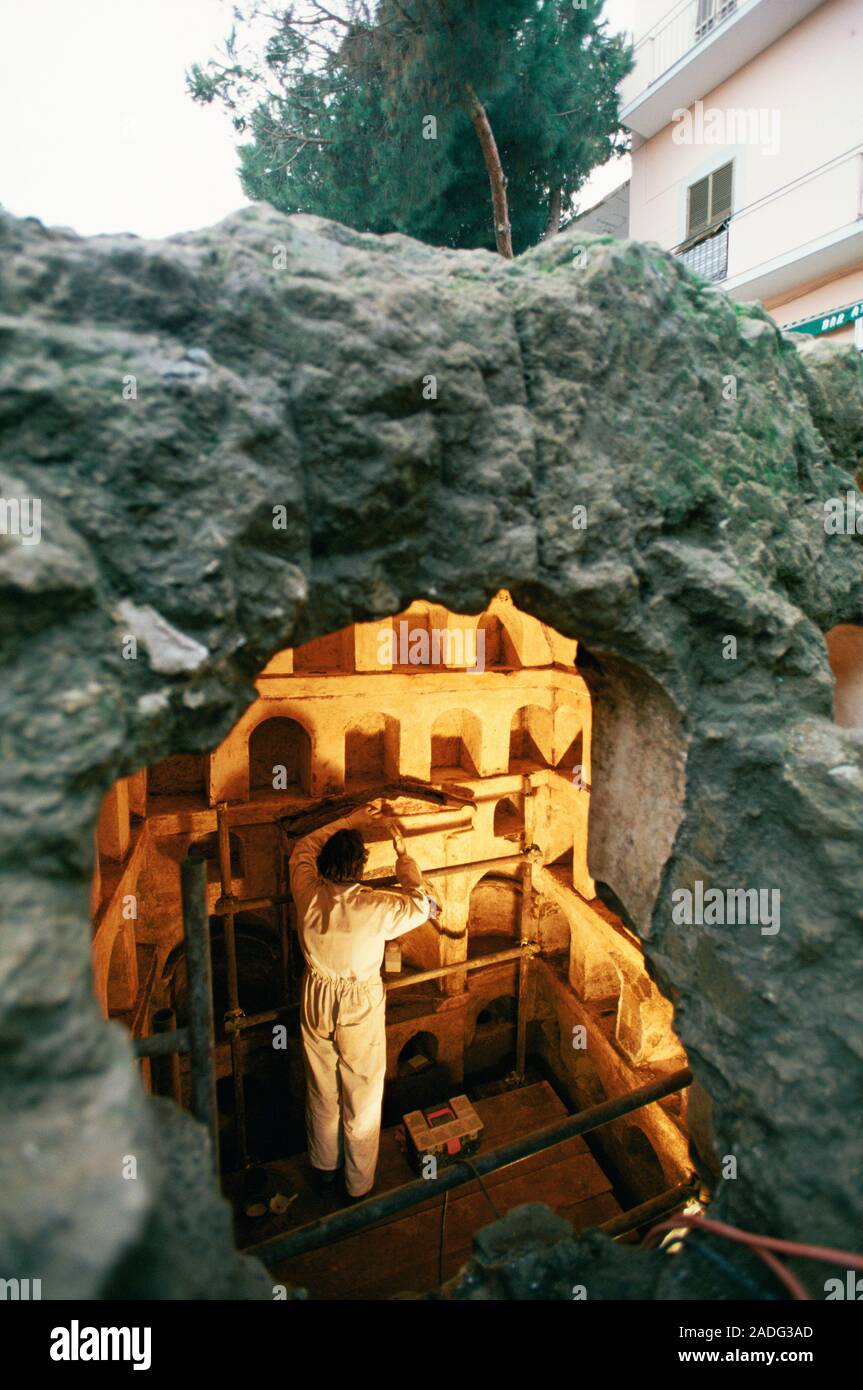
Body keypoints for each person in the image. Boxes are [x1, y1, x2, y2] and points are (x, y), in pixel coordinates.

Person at [289, 802, 432, 1201]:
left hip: (316, 995)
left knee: (322, 1089)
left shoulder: (307, 893)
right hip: (358, 1003)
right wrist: (405, 860)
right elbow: (422, 905)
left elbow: (302, 847)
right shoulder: (375, 906)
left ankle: (323, 1170)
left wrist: (350, 818)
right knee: (363, 1094)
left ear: (325, 864)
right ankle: (357, 1185)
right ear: (362, 868)